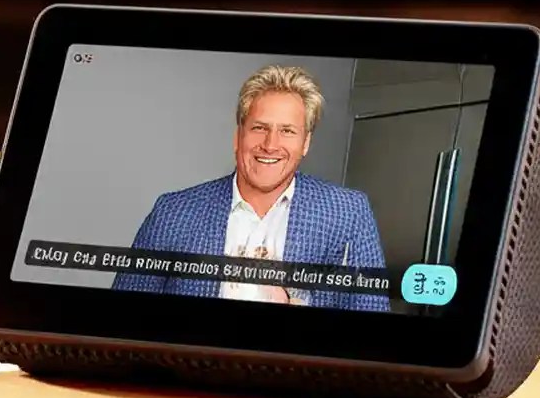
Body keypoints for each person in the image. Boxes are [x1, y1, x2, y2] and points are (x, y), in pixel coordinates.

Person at [111, 65, 389, 312]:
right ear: (238, 136)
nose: (270, 144)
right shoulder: (172, 212)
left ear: (305, 143)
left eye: (288, 131)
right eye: (259, 127)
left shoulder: (349, 212)